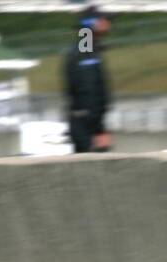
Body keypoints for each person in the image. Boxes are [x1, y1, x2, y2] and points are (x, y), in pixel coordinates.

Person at [63, 5, 112, 152]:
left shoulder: (86, 46)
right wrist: (98, 129)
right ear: (92, 23)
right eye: (104, 19)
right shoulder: (85, 49)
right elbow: (89, 90)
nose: (108, 23)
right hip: (87, 126)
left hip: (85, 122)